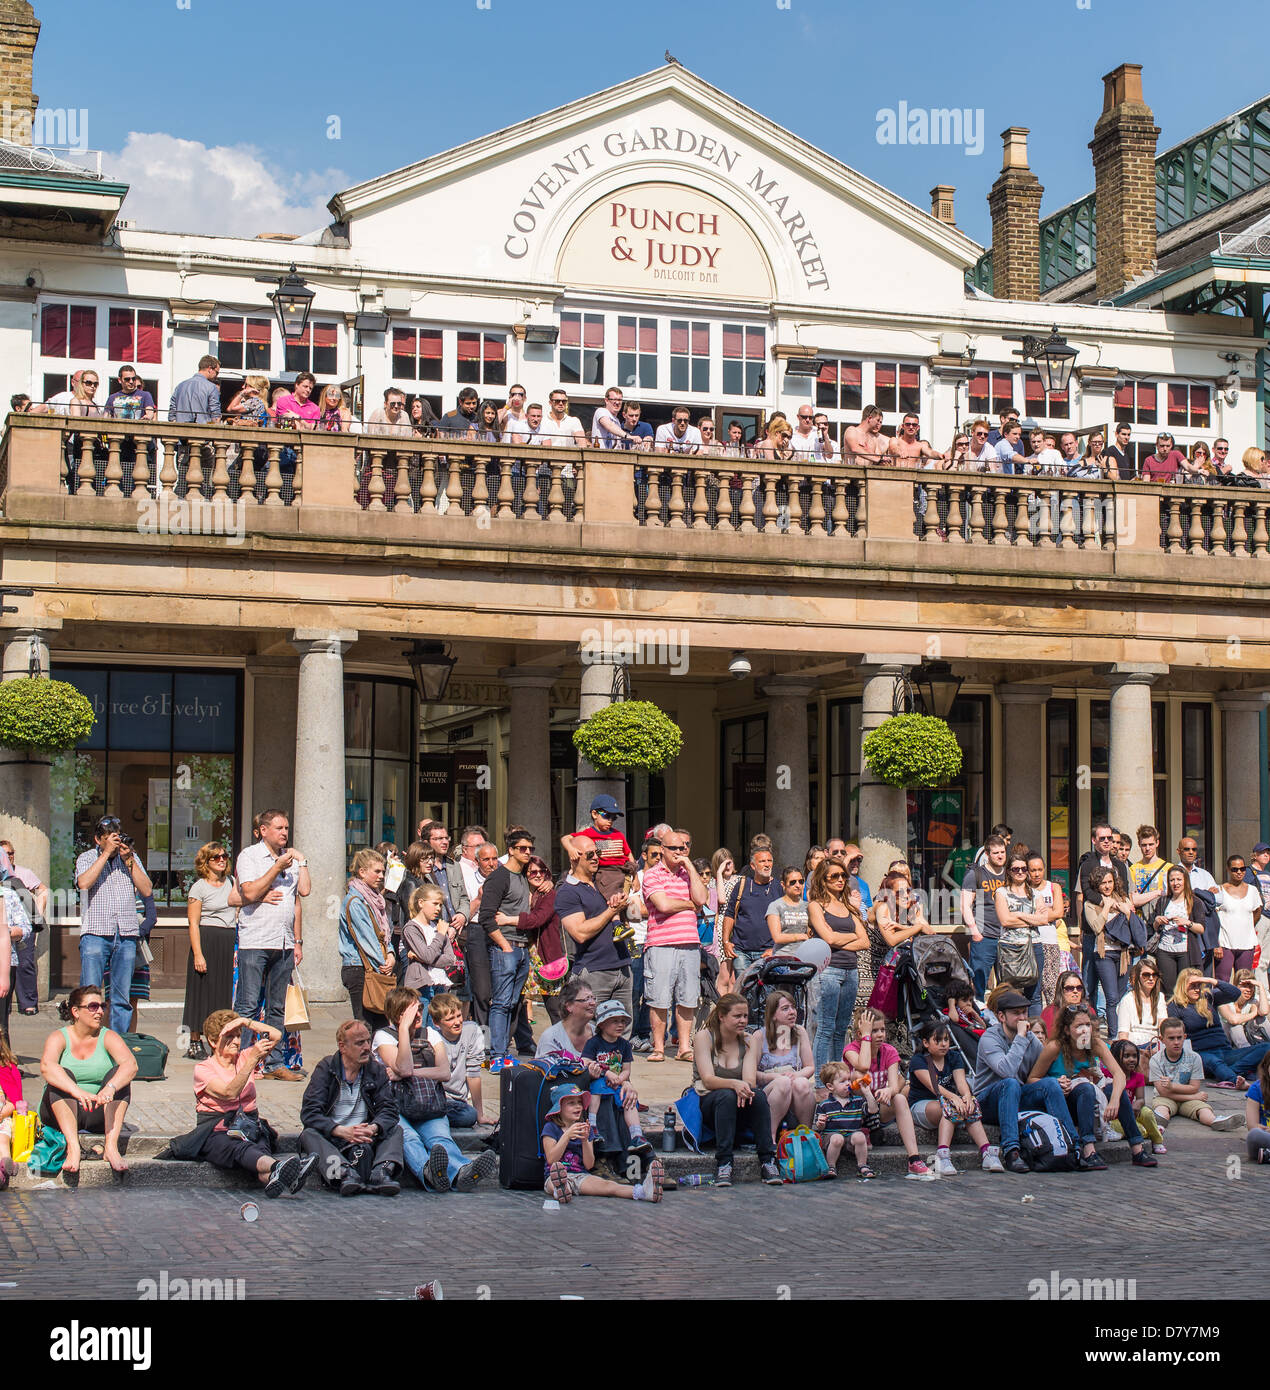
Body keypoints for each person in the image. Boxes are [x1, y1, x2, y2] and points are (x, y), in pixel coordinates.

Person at [179, 1009, 317, 1196]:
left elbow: (275, 1035)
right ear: (213, 1041)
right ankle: (280, 1167)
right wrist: (252, 1060)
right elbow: (229, 1092)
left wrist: (245, 1022)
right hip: (218, 1133)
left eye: (238, 1036)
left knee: (258, 1152)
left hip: (250, 1127)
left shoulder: (243, 1057)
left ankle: (279, 1176)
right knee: (241, 1148)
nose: (236, 1041)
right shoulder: (203, 1069)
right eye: (229, 1037)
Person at [373, 987, 497, 1194]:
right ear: (398, 1015)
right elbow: (403, 1066)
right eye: (412, 1011)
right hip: (395, 1106)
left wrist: (409, 1073)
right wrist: (403, 1030)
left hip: (427, 1101)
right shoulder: (383, 1037)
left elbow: (443, 1072)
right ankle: (429, 1172)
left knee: (440, 1139)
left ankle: (462, 1172)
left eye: (420, 1009)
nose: (419, 1015)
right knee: (409, 1137)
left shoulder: (430, 1033)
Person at [1028, 1002, 1157, 1169]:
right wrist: (1055, 1083)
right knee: (1085, 1088)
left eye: (1088, 1025)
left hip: (1089, 1102)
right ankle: (1088, 1149)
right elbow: (1032, 1079)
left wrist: (1115, 1100)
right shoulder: (1055, 1047)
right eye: (1079, 1026)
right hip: (1063, 1102)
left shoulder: (1095, 1044)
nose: (1085, 1030)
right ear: (1067, 1030)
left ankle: (1137, 1149)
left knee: (1112, 1088)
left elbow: (1119, 1074)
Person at [972, 987, 1080, 1174]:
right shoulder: (990, 1038)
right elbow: (1006, 1071)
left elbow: (1043, 1070)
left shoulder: (1031, 1039)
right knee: (1010, 1083)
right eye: (1016, 1013)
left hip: (1017, 1096)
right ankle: (1012, 1151)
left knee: (1049, 1084)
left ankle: (1073, 1146)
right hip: (987, 1101)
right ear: (1001, 1017)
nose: (1022, 1018)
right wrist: (1021, 1038)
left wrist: (1059, 1080)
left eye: (1024, 1012)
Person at [235, 809, 309, 1080]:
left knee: (278, 1007)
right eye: (279, 828)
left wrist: (303, 862)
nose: (284, 833)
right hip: (255, 940)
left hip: (284, 943)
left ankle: (274, 1062)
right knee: (248, 1006)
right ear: (263, 830)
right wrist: (276, 867)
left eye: (287, 828)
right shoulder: (250, 856)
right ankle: (243, 1062)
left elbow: (304, 893)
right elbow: (250, 892)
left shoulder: (289, 860)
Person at [38, 985, 137, 1179]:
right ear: (76, 1011)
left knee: (120, 1076)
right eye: (92, 1006)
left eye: (101, 1006)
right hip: (62, 1110)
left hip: (97, 1109)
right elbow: (47, 1067)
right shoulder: (59, 1037)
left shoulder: (108, 1036)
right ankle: (73, 1148)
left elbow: (130, 1065)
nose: (100, 1011)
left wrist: (110, 1088)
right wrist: (76, 1091)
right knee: (61, 1077)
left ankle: (111, 1147)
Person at [299, 1019, 404, 1196]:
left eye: (368, 1041)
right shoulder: (326, 1069)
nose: (366, 1047)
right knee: (308, 1135)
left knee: (396, 1130)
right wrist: (340, 1131)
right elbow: (310, 1113)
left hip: (365, 1136)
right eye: (359, 1043)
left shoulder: (375, 1070)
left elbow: (389, 1109)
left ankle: (381, 1172)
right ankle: (343, 1174)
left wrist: (373, 1127)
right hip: (335, 1137)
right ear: (343, 1047)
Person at [691, 993, 782, 1187]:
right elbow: (707, 1080)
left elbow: (749, 1080)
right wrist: (734, 1084)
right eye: (737, 1016)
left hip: (739, 1100)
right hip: (709, 1100)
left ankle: (767, 1159)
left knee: (757, 1095)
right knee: (726, 1096)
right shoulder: (704, 1037)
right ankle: (724, 1162)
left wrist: (743, 1088)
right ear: (722, 1017)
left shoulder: (749, 1040)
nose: (743, 1021)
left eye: (745, 1016)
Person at [74, 815, 153, 1036]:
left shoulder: (129, 858)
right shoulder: (87, 857)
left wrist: (129, 861)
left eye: (116, 837)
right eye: (109, 838)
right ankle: (87, 1041)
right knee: (89, 994)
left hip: (126, 934)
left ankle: (118, 1045)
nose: (114, 842)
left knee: (122, 997)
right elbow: (83, 883)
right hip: (96, 934)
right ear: (98, 839)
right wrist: (107, 854)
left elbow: (147, 890)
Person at [844, 1006, 934, 1179]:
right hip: (855, 1112)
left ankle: (914, 1159)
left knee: (899, 1098)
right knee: (858, 1075)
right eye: (874, 1031)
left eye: (882, 1030)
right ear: (860, 1033)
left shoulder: (889, 1051)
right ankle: (864, 1129)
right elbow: (862, 1066)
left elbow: (894, 1085)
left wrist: (888, 1089)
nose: (879, 1035)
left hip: (878, 1110)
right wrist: (866, 1037)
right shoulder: (851, 1049)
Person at [641, 828, 708, 1063]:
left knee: (687, 998)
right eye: (674, 848)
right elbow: (664, 905)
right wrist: (689, 905)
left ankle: (684, 1047)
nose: (680, 852)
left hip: (689, 942)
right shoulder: (652, 875)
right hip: (661, 943)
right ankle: (659, 1047)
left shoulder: (688, 873)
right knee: (658, 999)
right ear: (662, 849)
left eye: (683, 847)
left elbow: (702, 899)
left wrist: (689, 866)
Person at [542, 1083, 664, 1203]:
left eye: (579, 1102)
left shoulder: (585, 1128)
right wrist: (567, 1136)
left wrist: (585, 1140)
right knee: (553, 1184)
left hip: (579, 1175)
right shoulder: (551, 1128)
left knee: (608, 1185)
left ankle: (643, 1192)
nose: (578, 1106)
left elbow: (589, 1165)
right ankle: (561, 1189)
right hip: (554, 1177)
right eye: (571, 1103)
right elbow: (552, 1159)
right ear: (559, 1108)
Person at [553, 840, 632, 1024]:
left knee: (621, 1034)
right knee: (586, 1032)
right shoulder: (568, 891)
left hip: (622, 967)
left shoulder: (600, 883)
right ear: (575, 856)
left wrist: (619, 903)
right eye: (590, 854)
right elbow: (580, 932)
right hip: (594, 971)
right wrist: (612, 911)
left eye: (597, 853)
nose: (596, 858)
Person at [182, 841, 248, 1061]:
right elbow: (193, 923)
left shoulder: (232, 882)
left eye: (224, 856)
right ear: (206, 862)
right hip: (207, 939)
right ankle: (194, 1040)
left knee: (223, 991)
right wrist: (198, 954)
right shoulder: (199, 887)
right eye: (216, 857)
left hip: (228, 939)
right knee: (200, 991)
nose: (222, 860)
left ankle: (220, 1039)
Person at [908, 1020, 1000, 1174]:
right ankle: (942, 1155)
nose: (943, 1044)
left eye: (946, 1040)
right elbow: (934, 1086)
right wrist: (954, 1098)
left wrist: (966, 1097)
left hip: (947, 1102)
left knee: (970, 1106)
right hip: (922, 1105)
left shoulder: (954, 1056)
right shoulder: (919, 1060)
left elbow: (961, 1082)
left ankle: (986, 1152)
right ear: (925, 1042)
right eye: (937, 1040)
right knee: (950, 1107)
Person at [807, 857, 869, 1071]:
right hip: (828, 970)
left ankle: (838, 1076)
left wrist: (839, 938)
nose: (841, 879)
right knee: (825, 1028)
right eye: (835, 876)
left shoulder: (848, 907)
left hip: (851, 971)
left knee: (842, 1028)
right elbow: (828, 938)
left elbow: (865, 941)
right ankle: (820, 1079)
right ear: (823, 880)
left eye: (843, 875)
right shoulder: (816, 906)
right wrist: (850, 936)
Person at [478, 830, 536, 1062]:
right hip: (507, 947)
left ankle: (502, 1052)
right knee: (501, 1003)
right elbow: (486, 917)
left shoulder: (524, 876)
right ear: (510, 850)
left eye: (530, 849)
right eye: (522, 848)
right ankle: (498, 1055)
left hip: (521, 946)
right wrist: (504, 946)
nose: (527, 852)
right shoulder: (499, 877)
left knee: (513, 1002)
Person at [1167, 969, 1269, 1086]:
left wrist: (1209, 980)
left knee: (1266, 1048)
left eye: (1199, 985)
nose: (1196, 989)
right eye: (1192, 986)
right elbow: (1175, 1035)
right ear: (1182, 986)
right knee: (1213, 1061)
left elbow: (1235, 993)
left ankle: (1228, 1071)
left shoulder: (1208, 997)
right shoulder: (1174, 1006)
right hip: (1200, 1054)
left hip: (1225, 1052)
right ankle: (1236, 1081)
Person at [581, 999, 652, 1159]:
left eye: (622, 1021)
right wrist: (606, 1072)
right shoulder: (594, 1043)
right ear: (602, 1025)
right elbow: (585, 1062)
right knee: (596, 1090)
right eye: (614, 1021)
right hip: (599, 1080)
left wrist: (621, 1079)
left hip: (617, 1083)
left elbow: (626, 1069)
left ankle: (636, 1134)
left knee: (629, 1100)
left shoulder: (624, 1045)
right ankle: (592, 1124)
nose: (620, 1025)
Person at [1148, 1016, 1241, 1132]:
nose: (1176, 1042)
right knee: (1162, 1109)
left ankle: (1216, 1121)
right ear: (1162, 1039)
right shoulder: (1156, 1060)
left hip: (1188, 1099)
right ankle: (1159, 1125)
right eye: (1171, 1038)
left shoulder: (1194, 1057)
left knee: (1203, 1109)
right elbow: (1163, 1092)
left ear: (1185, 1037)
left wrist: (1174, 1087)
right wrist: (1192, 1096)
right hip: (1164, 1098)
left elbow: (1194, 1087)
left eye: (1179, 1038)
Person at [338, 848, 395, 1033]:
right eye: (377, 871)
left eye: (383, 872)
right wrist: (383, 962)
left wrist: (391, 955)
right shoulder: (355, 901)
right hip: (360, 967)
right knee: (366, 1025)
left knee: (382, 1024)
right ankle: (364, 1061)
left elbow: (384, 933)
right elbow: (367, 938)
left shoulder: (375, 899)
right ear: (362, 872)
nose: (381, 876)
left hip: (376, 965)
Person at [748, 990, 816, 1142]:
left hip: (794, 1088)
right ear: (772, 1014)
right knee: (783, 1082)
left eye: (793, 1007)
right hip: (770, 1090)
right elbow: (751, 1073)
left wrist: (795, 1075)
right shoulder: (759, 1036)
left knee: (802, 1083)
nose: (792, 1012)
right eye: (785, 1009)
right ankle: (769, 1137)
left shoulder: (800, 1032)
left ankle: (806, 1136)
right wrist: (773, 1077)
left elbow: (810, 1067)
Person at [1081, 866, 1136, 1032]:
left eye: (1110, 882)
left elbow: (1132, 924)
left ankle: (1122, 1032)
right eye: (1103, 883)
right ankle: (1114, 1036)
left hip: (1124, 954)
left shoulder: (1124, 899)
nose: (1107, 886)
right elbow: (1097, 927)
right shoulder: (1090, 904)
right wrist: (1106, 908)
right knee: (1111, 998)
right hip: (1104, 953)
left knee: (1120, 996)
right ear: (1097, 885)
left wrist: (1126, 911)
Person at [426, 992, 489, 1127]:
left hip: (457, 1103)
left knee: (469, 1115)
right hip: (435, 1098)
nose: (457, 1022)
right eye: (450, 1019)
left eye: (459, 1016)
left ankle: (436, 1119)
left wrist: (480, 1114)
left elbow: (473, 1074)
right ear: (437, 1023)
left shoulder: (471, 1030)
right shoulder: (430, 1036)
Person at [560, 793, 637, 903]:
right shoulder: (588, 834)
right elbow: (565, 838)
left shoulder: (618, 834)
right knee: (613, 902)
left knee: (623, 903)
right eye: (606, 816)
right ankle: (616, 919)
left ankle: (618, 919)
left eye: (613, 817)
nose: (610, 820)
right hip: (604, 874)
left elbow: (628, 854)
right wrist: (571, 849)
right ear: (595, 814)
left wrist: (636, 877)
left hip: (623, 873)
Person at [1147, 867, 1212, 996]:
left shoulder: (1194, 901)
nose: (1175, 883)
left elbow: (1201, 928)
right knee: (1168, 991)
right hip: (1165, 950)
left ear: (1185, 881)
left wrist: (1187, 922)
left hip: (1186, 951)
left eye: (1178, 879)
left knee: (1186, 989)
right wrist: (1158, 921)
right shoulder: (1163, 901)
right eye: (1172, 880)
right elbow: (1154, 927)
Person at [720, 842, 779, 976]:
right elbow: (729, 914)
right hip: (741, 951)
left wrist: (775, 948)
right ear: (753, 865)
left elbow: (785, 920)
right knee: (744, 990)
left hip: (768, 952)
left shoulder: (778, 888)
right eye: (762, 861)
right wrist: (726, 942)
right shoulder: (742, 885)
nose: (767, 864)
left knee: (766, 992)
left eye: (769, 861)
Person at [961, 832, 1007, 1000]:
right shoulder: (976, 874)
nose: (1000, 856)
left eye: (1002, 852)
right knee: (978, 987)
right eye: (996, 853)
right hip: (984, 936)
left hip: (1007, 937)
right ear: (987, 854)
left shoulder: (1010, 874)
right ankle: (979, 1023)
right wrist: (975, 932)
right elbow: (965, 905)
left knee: (1007, 988)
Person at [400, 884, 458, 1013]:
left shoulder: (438, 926)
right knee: (423, 1027)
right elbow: (428, 956)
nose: (438, 908)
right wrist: (441, 935)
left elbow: (450, 959)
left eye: (441, 905)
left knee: (438, 1028)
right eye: (435, 904)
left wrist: (421, 958)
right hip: (422, 985)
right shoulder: (412, 928)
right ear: (421, 903)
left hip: (440, 984)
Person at [814, 1061, 876, 1179]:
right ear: (830, 1086)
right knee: (837, 1138)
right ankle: (830, 1166)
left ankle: (862, 1165)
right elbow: (819, 1128)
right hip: (832, 1139)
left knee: (860, 1136)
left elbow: (873, 1110)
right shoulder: (824, 1105)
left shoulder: (857, 1101)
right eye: (842, 1081)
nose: (848, 1083)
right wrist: (820, 1123)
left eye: (848, 1080)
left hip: (850, 1138)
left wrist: (867, 1093)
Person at [1106, 1039, 1167, 1154]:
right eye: (1126, 1056)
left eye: (1134, 1056)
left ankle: (1157, 1140)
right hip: (1115, 1118)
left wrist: (1138, 1104)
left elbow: (1141, 1099)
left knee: (1147, 1113)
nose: (1132, 1059)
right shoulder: (1108, 1074)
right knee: (1139, 1129)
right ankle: (1152, 1130)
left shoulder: (1138, 1077)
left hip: (1133, 1112)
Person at [1027, 853, 1068, 1013]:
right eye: (1033, 870)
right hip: (1031, 943)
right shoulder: (1025, 889)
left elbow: (1059, 913)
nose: (1036, 874)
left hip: (1050, 942)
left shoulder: (1053, 887)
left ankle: (1054, 1023)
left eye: (1040, 869)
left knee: (1051, 988)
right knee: (1033, 989)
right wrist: (1046, 916)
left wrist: (1035, 917)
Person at [1216, 853, 1261, 983]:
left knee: (1244, 981)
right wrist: (1216, 945)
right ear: (1228, 870)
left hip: (1247, 944)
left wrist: (1248, 926)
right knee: (1222, 981)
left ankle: (1242, 1004)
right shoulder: (1220, 890)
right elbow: (1213, 918)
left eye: (1242, 869)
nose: (1239, 872)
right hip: (1225, 944)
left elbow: (1257, 911)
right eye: (1235, 869)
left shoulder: (1252, 890)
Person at [1116, 957, 1169, 1057]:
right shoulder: (1127, 1000)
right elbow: (1123, 1035)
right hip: (1134, 1046)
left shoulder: (1160, 997)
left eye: (1154, 975)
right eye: (1146, 975)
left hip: (1155, 1044)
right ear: (1138, 977)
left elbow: (1163, 1026)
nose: (1151, 978)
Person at [1129, 825, 1171, 923]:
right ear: (1139, 844)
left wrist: (1142, 897)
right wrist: (1157, 892)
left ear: (1157, 843)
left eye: (1151, 844)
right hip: (1140, 922)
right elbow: (1134, 900)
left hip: (1162, 920)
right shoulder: (1133, 869)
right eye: (1144, 845)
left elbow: (1170, 896)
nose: (1147, 848)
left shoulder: (1168, 868)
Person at [167, 355, 221, 423]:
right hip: (201, 430)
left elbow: (172, 415)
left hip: (180, 429)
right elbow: (215, 416)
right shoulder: (211, 387)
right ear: (210, 369)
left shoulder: (180, 386)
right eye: (217, 372)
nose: (217, 375)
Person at [766, 866, 810, 949]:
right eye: (793, 882)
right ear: (783, 884)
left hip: (805, 955)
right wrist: (802, 936)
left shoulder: (807, 906)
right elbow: (777, 938)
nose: (798, 885)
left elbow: (811, 933)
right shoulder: (775, 906)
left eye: (801, 881)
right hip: (783, 956)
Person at [1245, 1051, 1270, 1165]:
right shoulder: (1256, 1089)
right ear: (1266, 1067)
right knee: (1254, 1135)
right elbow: (1252, 1125)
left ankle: (1267, 1155)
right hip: (1266, 1135)